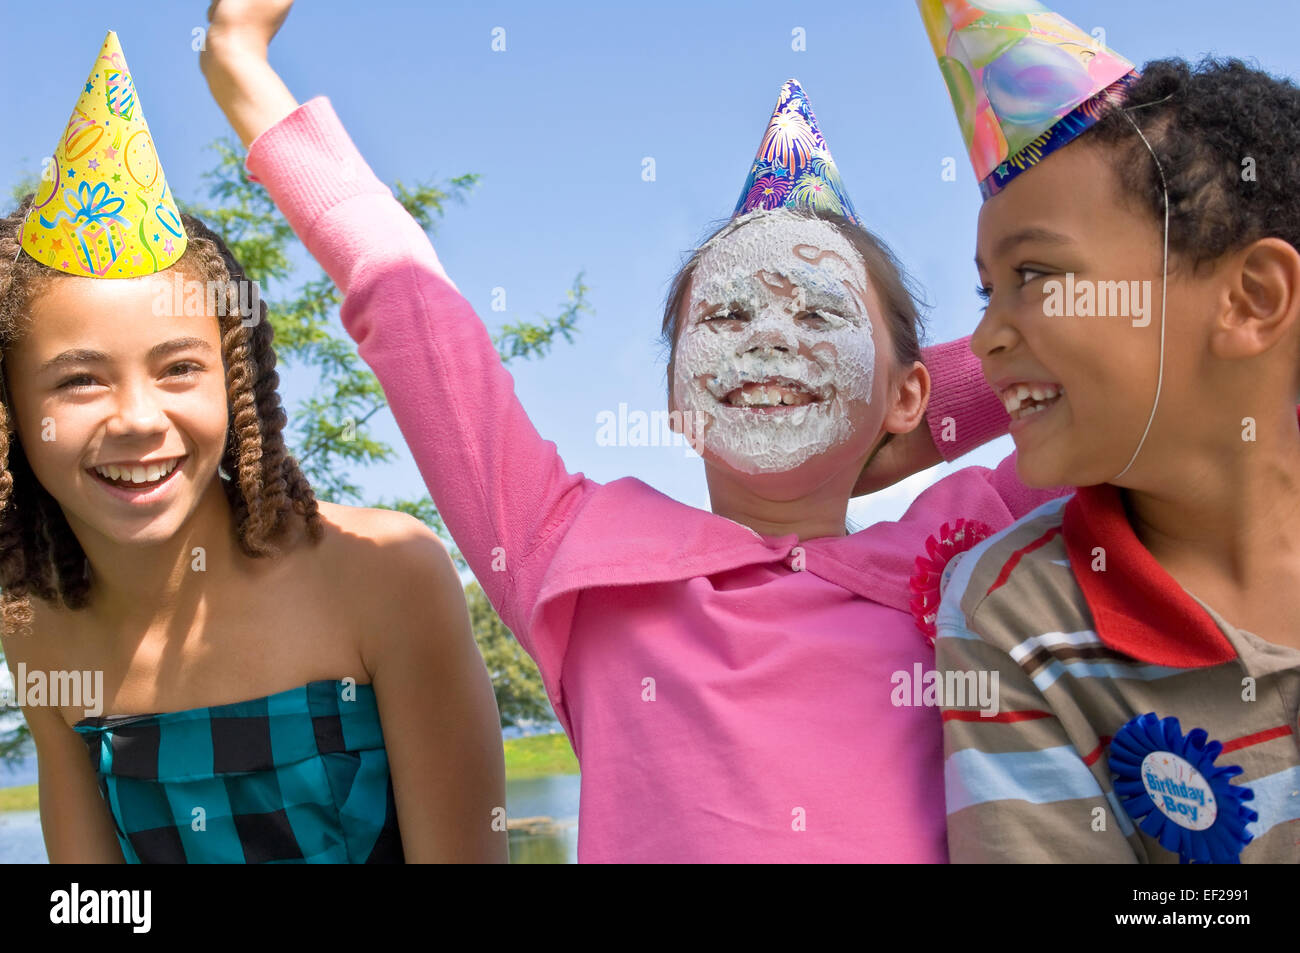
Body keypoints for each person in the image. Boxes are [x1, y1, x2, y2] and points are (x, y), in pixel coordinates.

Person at [200, 0, 1072, 861]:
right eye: (728, 314)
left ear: (913, 392)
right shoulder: (573, 553)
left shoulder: (981, 545)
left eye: (815, 311)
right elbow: (409, 307)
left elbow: (1090, 367)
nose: (769, 336)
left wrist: (899, 429)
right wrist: (244, 72)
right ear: (677, 401)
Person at [0, 30, 506, 863]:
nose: (136, 417)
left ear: (235, 386)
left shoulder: (387, 573)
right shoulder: (38, 630)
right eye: (79, 380)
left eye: (179, 368)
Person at [920, 0, 1300, 862]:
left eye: (1035, 273)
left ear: (1251, 300)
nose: (983, 338)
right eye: (988, 289)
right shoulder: (1017, 618)